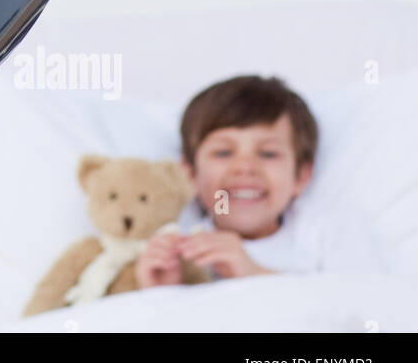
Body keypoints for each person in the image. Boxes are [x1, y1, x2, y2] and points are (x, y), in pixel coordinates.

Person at [135, 75, 375, 285]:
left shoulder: (325, 235)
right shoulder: (175, 241)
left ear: (301, 176)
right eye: (223, 152)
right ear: (190, 174)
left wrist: (255, 275)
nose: (245, 167)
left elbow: (364, 304)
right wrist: (162, 293)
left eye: (268, 153)